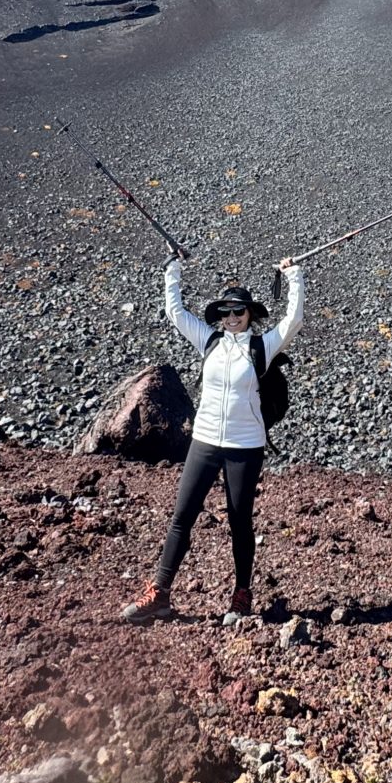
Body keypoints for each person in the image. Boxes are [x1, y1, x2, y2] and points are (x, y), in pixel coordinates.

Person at [122, 253, 304, 623]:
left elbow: (293, 320)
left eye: (239, 311)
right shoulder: (209, 340)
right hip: (204, 441)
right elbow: (176, 313)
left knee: (240, 522)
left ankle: (241, 595)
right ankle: (160, 593)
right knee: (182, 517)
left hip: (245, 446)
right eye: (225, 311)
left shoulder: (262, 346)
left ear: (250, 313)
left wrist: (295, 277)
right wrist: (173, 271)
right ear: (218, 316)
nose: (232, 317)